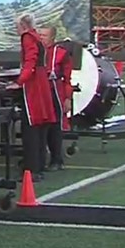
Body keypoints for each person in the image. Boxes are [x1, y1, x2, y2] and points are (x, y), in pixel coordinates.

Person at [7, 14, 58, 181]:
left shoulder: (27, 38)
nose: (16, 29)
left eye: (17, 25)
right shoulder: (36, 36)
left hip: (34, 85)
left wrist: (19, 82)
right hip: (41, 82)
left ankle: (32, 169)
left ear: (23, 25)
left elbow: (30, 62)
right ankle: (38, 167)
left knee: (31, 127)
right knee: (40, 127)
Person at [40, 26, 73, 171]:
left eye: (44, 35)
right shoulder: (35, 52)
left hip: (55, 93)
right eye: (39, 34)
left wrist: (67, 98)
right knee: (39, 127)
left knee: (55, 127)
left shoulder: (61, 53)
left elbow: (67, 78)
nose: (41, 37)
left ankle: (56, 159)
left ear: (52, 38)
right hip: (39, 94)